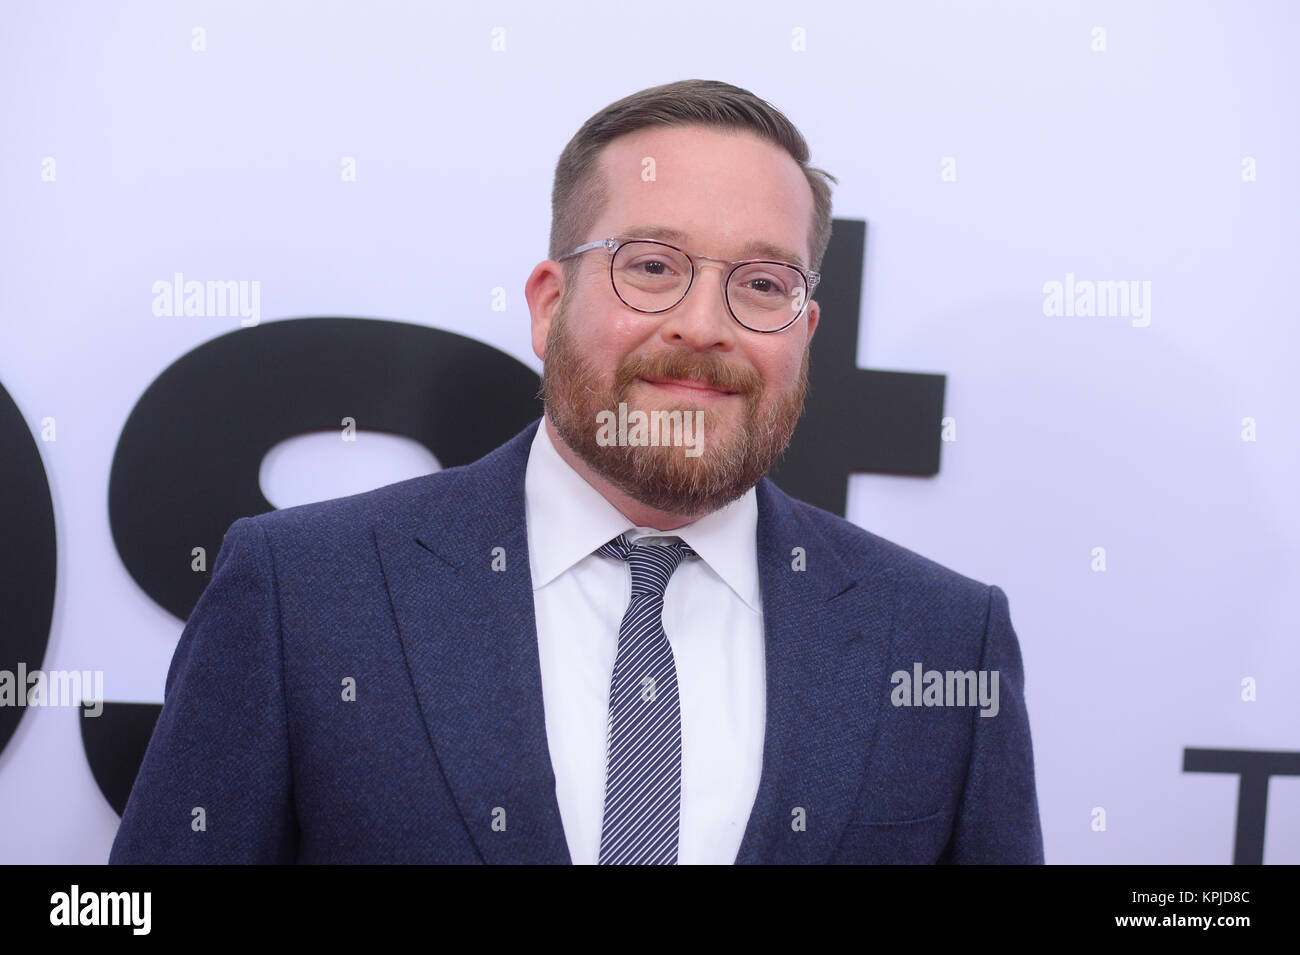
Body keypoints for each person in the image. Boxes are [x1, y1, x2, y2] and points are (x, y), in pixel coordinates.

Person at [110, 79, 1044, 865]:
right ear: (549, 305)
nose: (704, 325)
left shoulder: (945, 640)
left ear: (804, 333)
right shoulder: (300, 592)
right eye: (651, 265)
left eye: (762, 284)